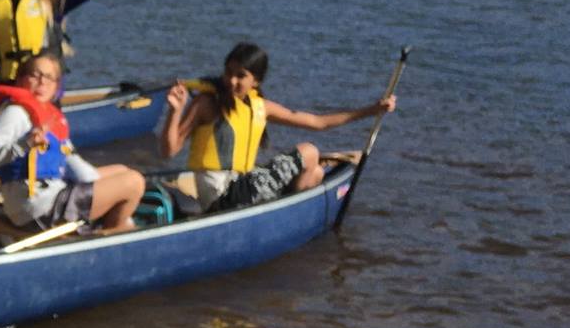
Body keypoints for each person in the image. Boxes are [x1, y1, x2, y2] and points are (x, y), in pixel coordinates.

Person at [157, 43, 397, 214]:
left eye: (241, 75)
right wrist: (175, 111)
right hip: (222, 197)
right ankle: (286, 214)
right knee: (309, 152)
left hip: (244, 188)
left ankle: (283, 216)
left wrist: (371, 110)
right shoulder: (207, 103)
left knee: (315, 174)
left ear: (256, 81)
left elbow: (317, 122)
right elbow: (169, 151)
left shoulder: (260, 106)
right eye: (229, 72)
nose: (232, 81)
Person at [0, 54, 144, 236]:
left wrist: (103, 188)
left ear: (56, 87)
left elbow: (82, 172)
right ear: (21, 80)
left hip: (51, 197)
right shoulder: (16, 114)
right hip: (37, 209)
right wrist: (26, 144)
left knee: (122, 170)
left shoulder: (51, 119)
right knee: (134, 182)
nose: (42, 82)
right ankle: (112, 236)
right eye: (34, 75)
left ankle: (113, 228)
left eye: (49, 77)